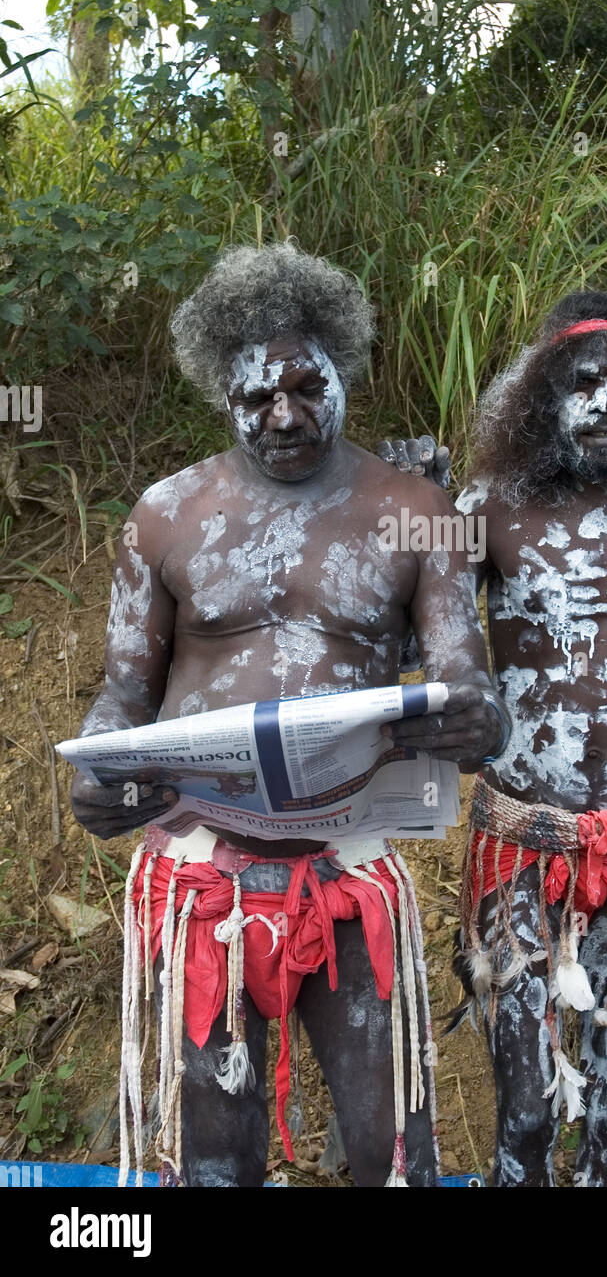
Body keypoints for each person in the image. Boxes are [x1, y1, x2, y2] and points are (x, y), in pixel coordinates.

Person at [69, 240, 505, 1188]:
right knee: (215, 1163)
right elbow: (123, 692)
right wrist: (100, 770)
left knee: (391, 1156)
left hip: (349, 871)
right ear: (220, 397)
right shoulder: (166, 513)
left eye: (308, 387)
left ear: (344, 373)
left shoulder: (416, 511)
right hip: (204, 877)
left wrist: (481, 724)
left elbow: (470, 678)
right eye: (255, 398)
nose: (283, 415)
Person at [379, 289, 607, 1187]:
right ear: (545, 399)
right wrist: (414, 503)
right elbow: (409, 639)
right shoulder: (486, 511)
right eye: (585, 383)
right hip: (517, 851)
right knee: (527, 1106)